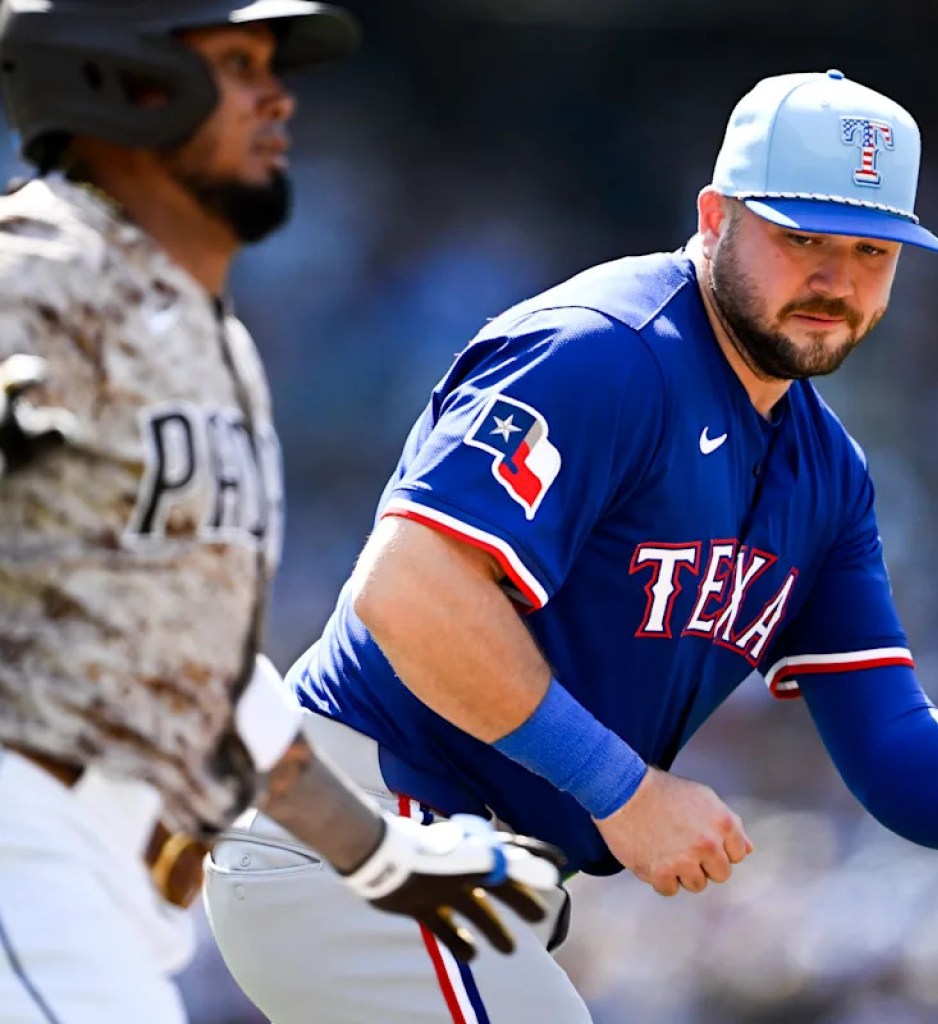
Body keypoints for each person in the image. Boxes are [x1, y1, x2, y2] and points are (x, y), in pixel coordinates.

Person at [203, 68, 938, 1023]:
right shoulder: (607, 351)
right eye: (802, 238)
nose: (836, 280)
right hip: (357, 829)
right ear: (716, 215)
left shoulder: (827, 477)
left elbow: (891, 743)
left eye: (872, 251)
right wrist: (620, 789)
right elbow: (409, 588)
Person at [0, 2, 567, 1022]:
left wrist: (381, 856)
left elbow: (204, 672)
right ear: (119, 88)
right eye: (234, 66)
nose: (277, 99)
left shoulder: (196, 335)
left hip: (99, 898)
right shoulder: (37, 285)